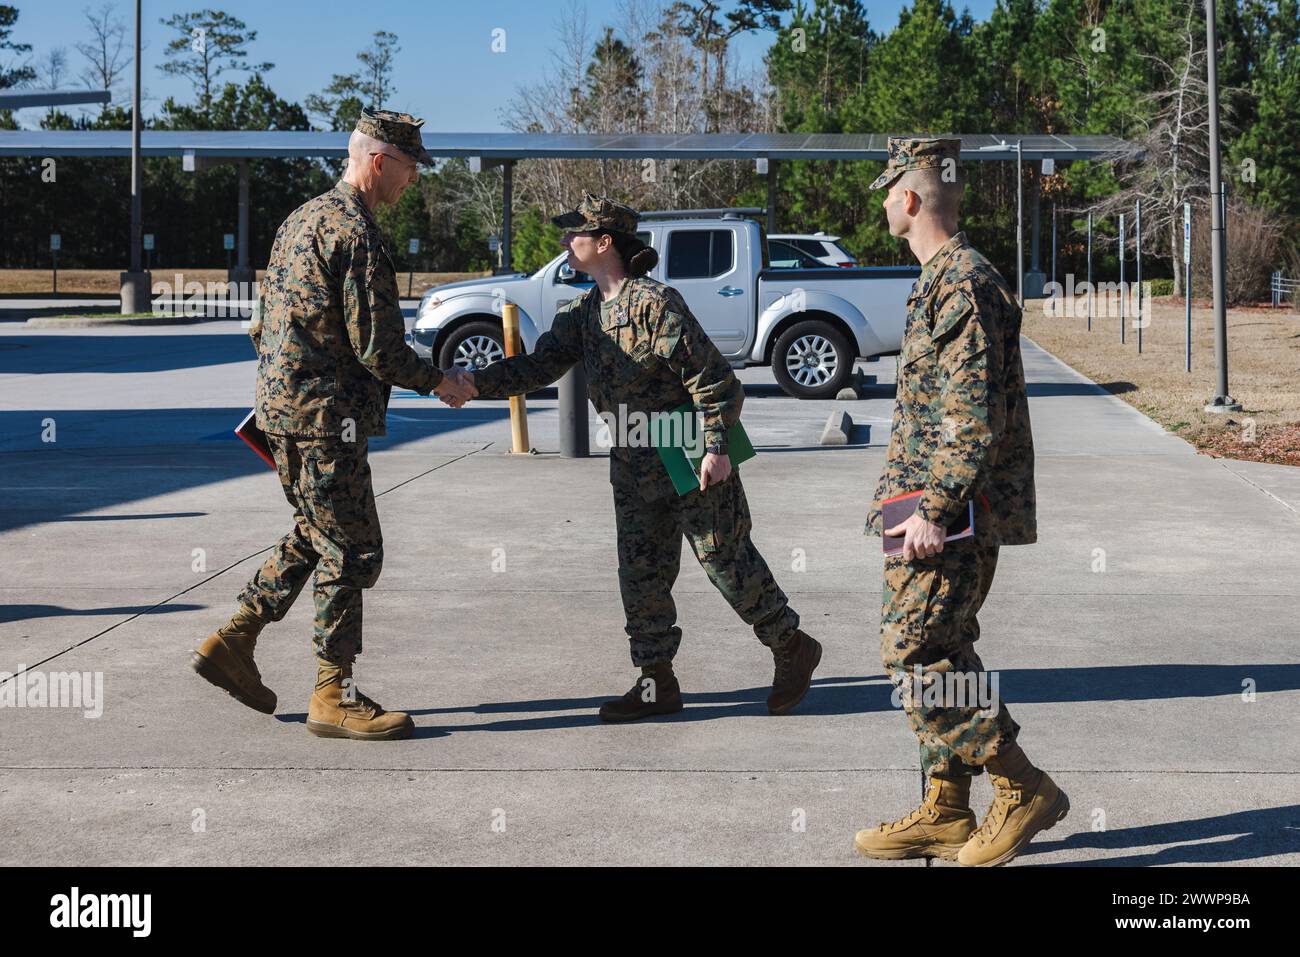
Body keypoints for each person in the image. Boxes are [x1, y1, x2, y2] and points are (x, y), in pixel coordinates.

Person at [446, 194, 822, 721]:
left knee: (725, 562)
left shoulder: (655, 305)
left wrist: (717, 446)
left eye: (576, 233)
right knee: (641, 574)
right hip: (632, 453)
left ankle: (791, 646)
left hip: (686, 443)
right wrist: (470, 384)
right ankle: (656, 683)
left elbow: (714, 380)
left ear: (605, 244)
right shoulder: (581, 312)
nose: (565, 241)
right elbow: (538, 367)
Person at [191, 108, 474, 741]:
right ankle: (332, 694)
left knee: (315, 531)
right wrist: (441, 381)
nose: (415, 180)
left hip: (284, 414)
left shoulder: (301, 220)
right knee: (353, 547)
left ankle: (233, 641)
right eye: (411, 167)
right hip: (327, 421)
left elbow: (261, 324)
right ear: (379, 161)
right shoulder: (358, 233)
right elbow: (378, 347)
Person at [853, 137, 1068, 866]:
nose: (883, 201)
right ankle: (947, 807)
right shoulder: (939, 278)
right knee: (944, 647)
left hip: (945, 513)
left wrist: (937, 509)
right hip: (915, 506)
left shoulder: (963, 282)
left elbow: (972, 417)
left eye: (888, 191)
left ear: (910, 199)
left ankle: (1022, 784)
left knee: (913, 651)